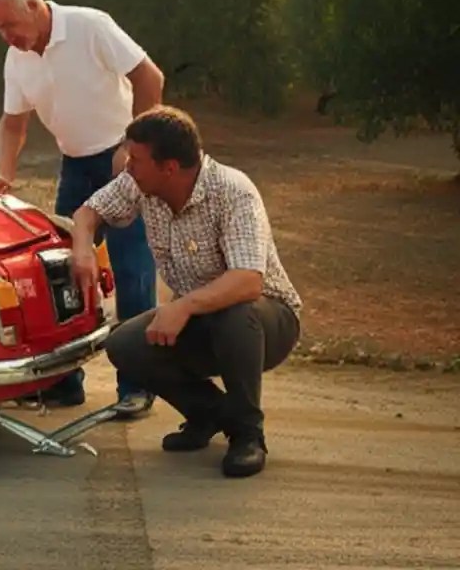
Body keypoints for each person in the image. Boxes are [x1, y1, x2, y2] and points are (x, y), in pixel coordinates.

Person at [70, 105, 303, 478]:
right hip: (200, 316)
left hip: (265, 319)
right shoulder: (140, 183)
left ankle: (247, 435)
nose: (126, 167)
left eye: (136, 160)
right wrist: (82, 249)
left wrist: (183, 307)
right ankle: (208, 415)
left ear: (170, 168)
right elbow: (88, 212)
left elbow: (248, 281)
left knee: (236, 315)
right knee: (124, 344)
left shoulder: (233, 192)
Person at [0, 0, 163, 416]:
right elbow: (12, 123)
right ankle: (64, 385)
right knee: (61, 276)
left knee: (132, 276)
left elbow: (150, 78)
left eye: (10, 26)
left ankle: (138, 387)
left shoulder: (90, 26)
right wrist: (5, 174)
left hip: (122, 164)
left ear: (35, 7)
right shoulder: (17, 59)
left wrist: (134, 145)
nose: (6, 37)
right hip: (75, 168)